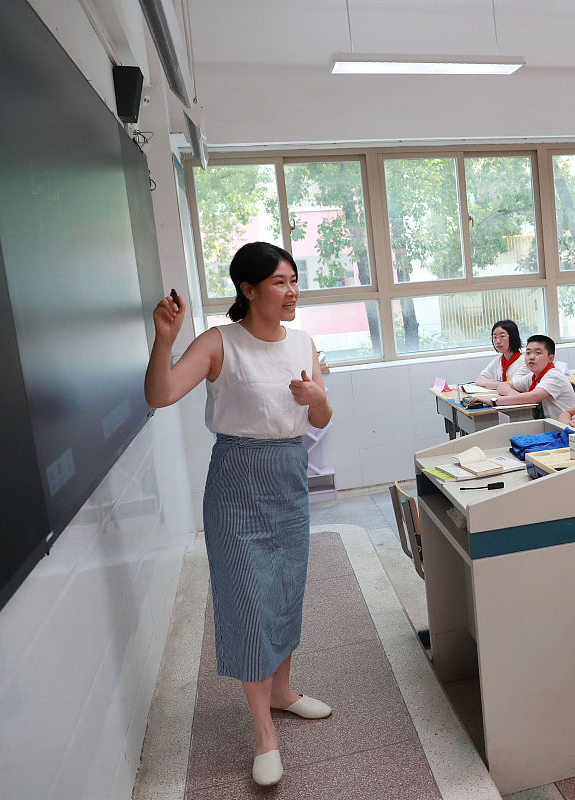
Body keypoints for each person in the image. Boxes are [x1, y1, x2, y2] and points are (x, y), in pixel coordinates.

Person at [144, 242, 334, 787]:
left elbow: (321, 413)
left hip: (288, 476)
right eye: (279, 281)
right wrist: (164, 341)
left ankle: (282, 692)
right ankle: (263, 735)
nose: (292, 290)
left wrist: (314, 395)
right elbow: (160, 395)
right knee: (248, 598)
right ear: (248, 290)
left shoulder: (303, 341)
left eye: (294, 279)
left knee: (285, 588)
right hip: (236, 479)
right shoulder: (219, 342)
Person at [493, 334, 575, 420]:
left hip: (565, 428)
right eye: (528, 353)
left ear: (551, 358)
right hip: (549, 427)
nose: (531, 357)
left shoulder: (554, 376)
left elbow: (532, 398)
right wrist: (511, 393)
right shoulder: (533, 376)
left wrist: (494, 401)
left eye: (538, 353)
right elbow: (502, 385)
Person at [475, 319, 530, 389]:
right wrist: (495, 384)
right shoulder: (499, 360)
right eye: (495, 337)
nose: (498, 341)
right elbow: (479, 379)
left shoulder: (523, 362)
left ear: (513, 337)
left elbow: (511, 386)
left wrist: (490, 383)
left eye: (502, 336)